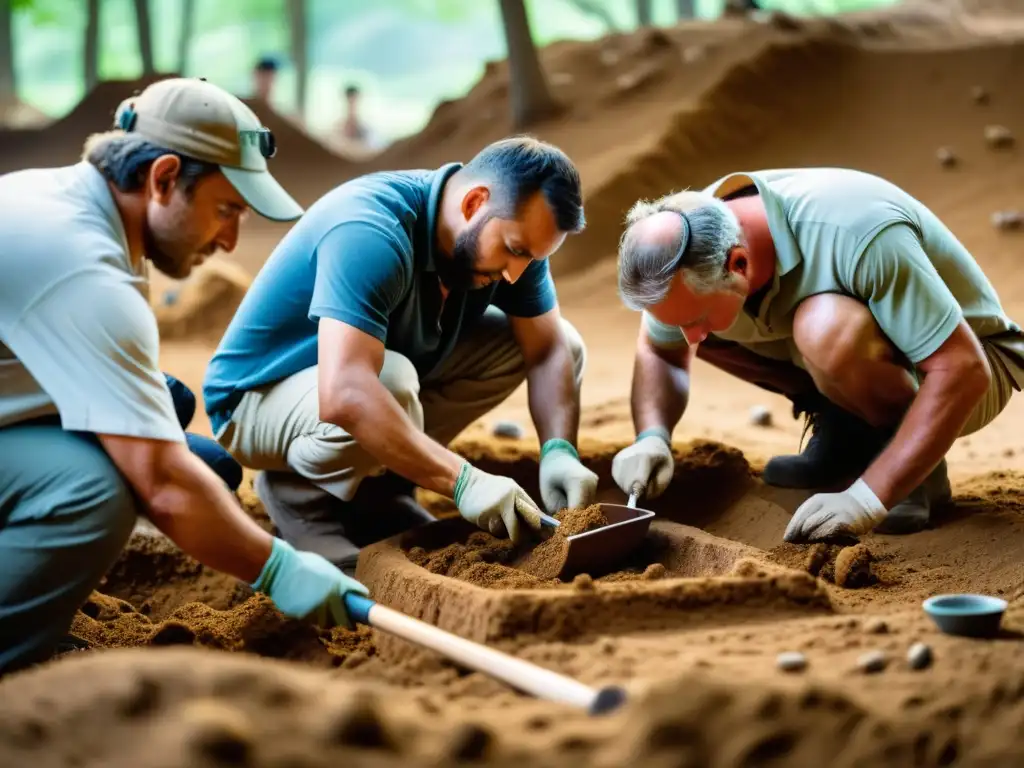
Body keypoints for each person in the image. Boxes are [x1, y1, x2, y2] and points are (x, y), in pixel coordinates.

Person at [0, 76, 369, 674]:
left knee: (178, 426)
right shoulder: (87, 272)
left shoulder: (71, 202)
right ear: (164, 178)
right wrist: (278, 567)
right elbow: (166, 488)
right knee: (93, 490)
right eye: (226, 210)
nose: (229, 241)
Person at [202, 136, 597, 573]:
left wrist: (559, 450)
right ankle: (301, 496)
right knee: (389, 380)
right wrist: (462, 481)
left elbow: (547, 350)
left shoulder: (512, 241)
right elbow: (345, 393)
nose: (515, 272)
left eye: (532, 257)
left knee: (564, 340)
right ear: (474, 203)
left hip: (367, 373)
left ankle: (380, 493)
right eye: (515, 249)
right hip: (257, 401)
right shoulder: (370, 230)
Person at [612, 167, 1024, 542]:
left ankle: (909, 469)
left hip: (969, 368)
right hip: (853, 361)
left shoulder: (857, 232)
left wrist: (868, 496)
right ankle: (846, 431)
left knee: (824, 328)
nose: (691, 337)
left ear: (738, 264)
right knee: (778, 330)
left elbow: (962, 368)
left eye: (697, 317)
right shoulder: (684, 246)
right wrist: (652, 436)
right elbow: (660, 350)